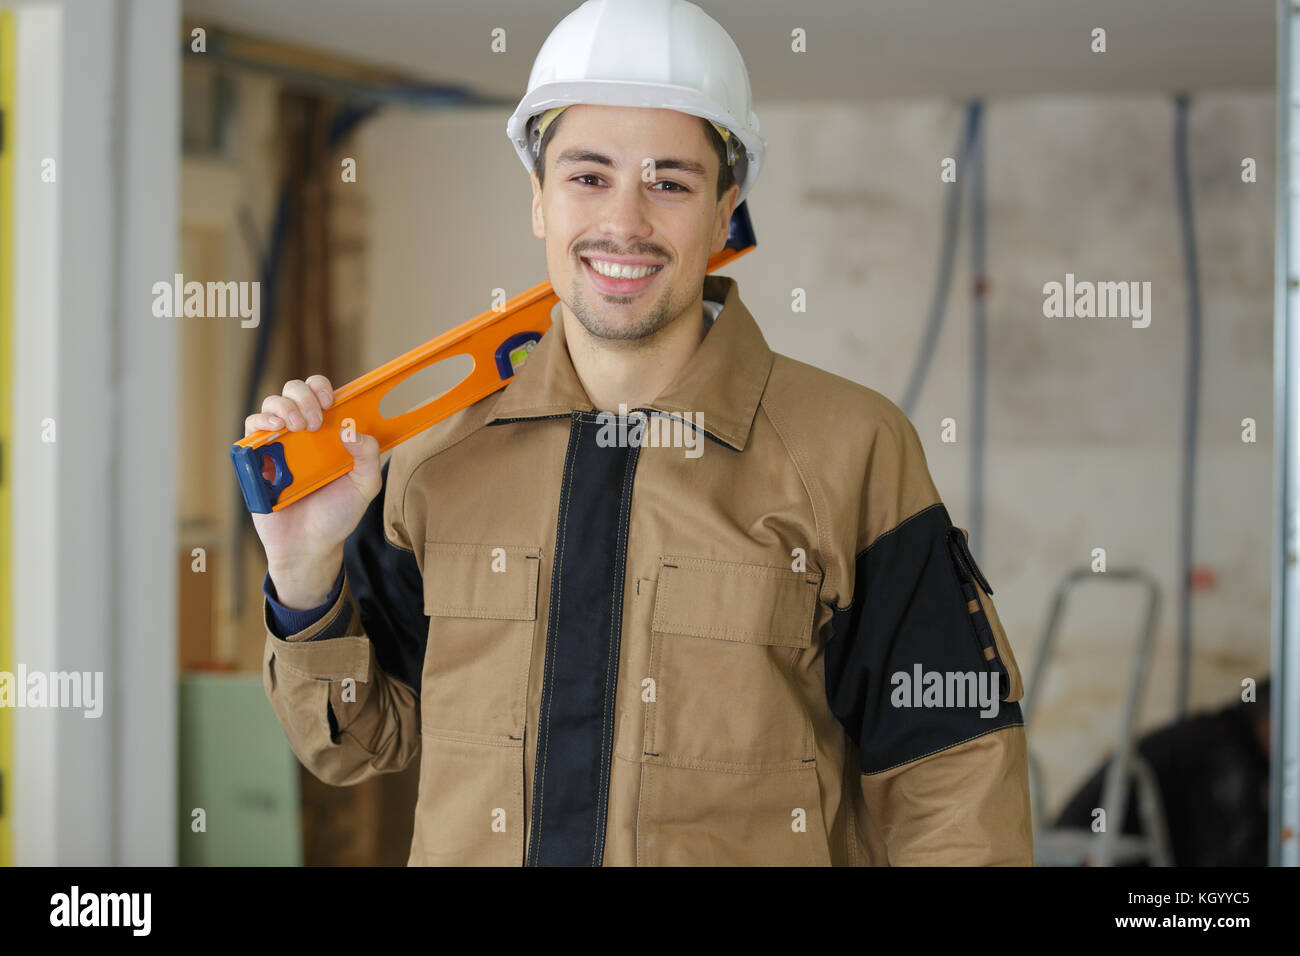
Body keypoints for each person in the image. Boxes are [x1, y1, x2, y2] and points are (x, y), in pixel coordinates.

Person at [249, 0, 1033, 866]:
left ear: (725, 206)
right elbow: (358, 743)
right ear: (539, 200)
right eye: (588, 176)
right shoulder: (436, 465)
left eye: (670, 181)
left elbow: (952, 776)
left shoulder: (851, 452)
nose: (624, 222)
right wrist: (304, 575)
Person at [1053, 681, 1271, 866]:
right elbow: (1235, 851)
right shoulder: (1230, 753)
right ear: (1270, 724)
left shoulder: (1214, 736)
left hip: (1075, 844)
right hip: (1096, 853)